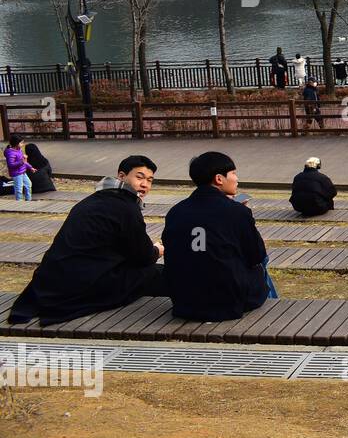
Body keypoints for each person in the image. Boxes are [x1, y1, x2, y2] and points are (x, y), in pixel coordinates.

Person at [10, 155, 167, 325]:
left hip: (51, 280)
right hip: (83, 284)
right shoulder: (126, 208)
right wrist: (157, 250)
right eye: (139, 177)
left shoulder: (94, 200)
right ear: (121, 176)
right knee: (157, 273)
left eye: (150, 180)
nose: (145, 185)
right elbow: (143, 256)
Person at [162, 152, 271, 322]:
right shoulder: (236, 211)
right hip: (227, 302)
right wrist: (243, 214)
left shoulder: (176, 211)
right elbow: (256, 255)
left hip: (184, 301)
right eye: (234, 173)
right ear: (219, 179)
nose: (237, 179)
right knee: (262, 263)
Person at [5, 134, 34, 201]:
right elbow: (11, 164)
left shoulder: (19, 150)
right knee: (19, 188)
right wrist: (22, 162)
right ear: (16, 143)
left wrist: (30, 167)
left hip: (23, 172)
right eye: (21, 143)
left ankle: (28, 200)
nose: (23, 144)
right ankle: (19, 202)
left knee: (28, 184)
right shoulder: (10, 153)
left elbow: (24, 162)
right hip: (16, 173)